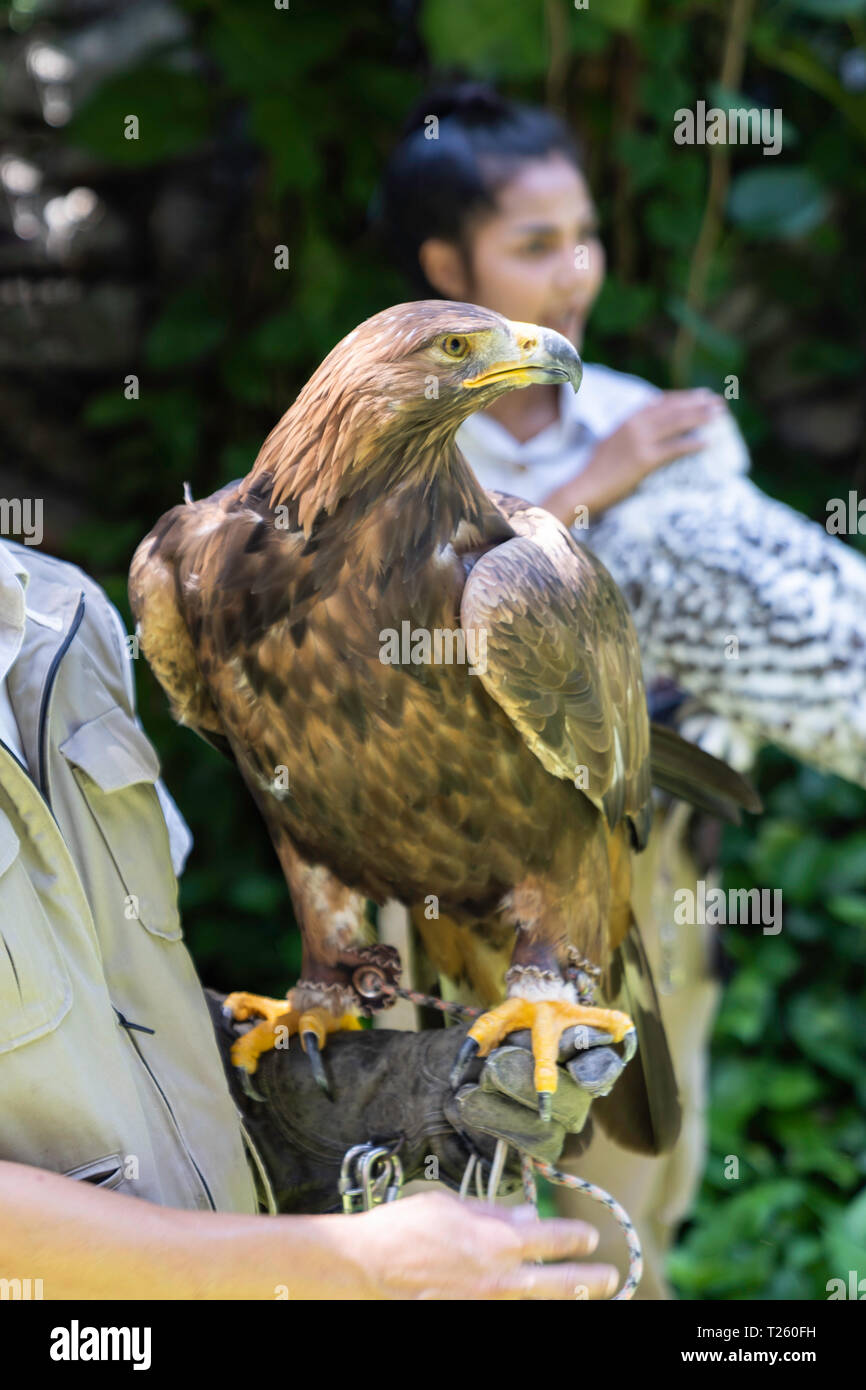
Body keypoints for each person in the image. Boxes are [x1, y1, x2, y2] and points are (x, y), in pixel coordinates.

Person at [0, 533, 624, 1299]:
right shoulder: (177, 582)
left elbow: (101, 1002)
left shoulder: (58, 613)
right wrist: (340, 1263)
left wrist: (282, 1104)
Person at [376, 81, 740, 1299]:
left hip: (630, 852)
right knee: (430, 1164)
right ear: (445, 261)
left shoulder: (667, 426)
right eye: (532, 245)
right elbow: (383, 629)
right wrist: (592, 486)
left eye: (580, 235)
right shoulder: (386, 433)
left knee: (629, 1143)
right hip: (423, 863)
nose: (571, 271)